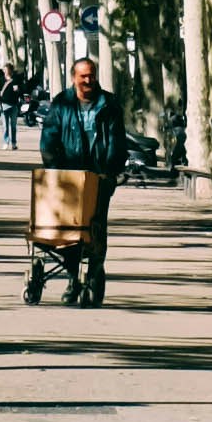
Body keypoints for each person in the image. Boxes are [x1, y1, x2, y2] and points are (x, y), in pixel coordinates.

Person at [28, 51, 125, 306]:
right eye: (83, 76)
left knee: (96, 229)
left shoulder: (110, 105)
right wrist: (54, 170)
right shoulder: (61, 104)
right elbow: (49, 139)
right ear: (74, 78)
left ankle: (93, 272)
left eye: (91, 76)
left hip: (99, 179)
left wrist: (112, 171)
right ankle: (73, 279)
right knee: (71, 232)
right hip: (68, 180)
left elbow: (117, 143)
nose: (88, 80)